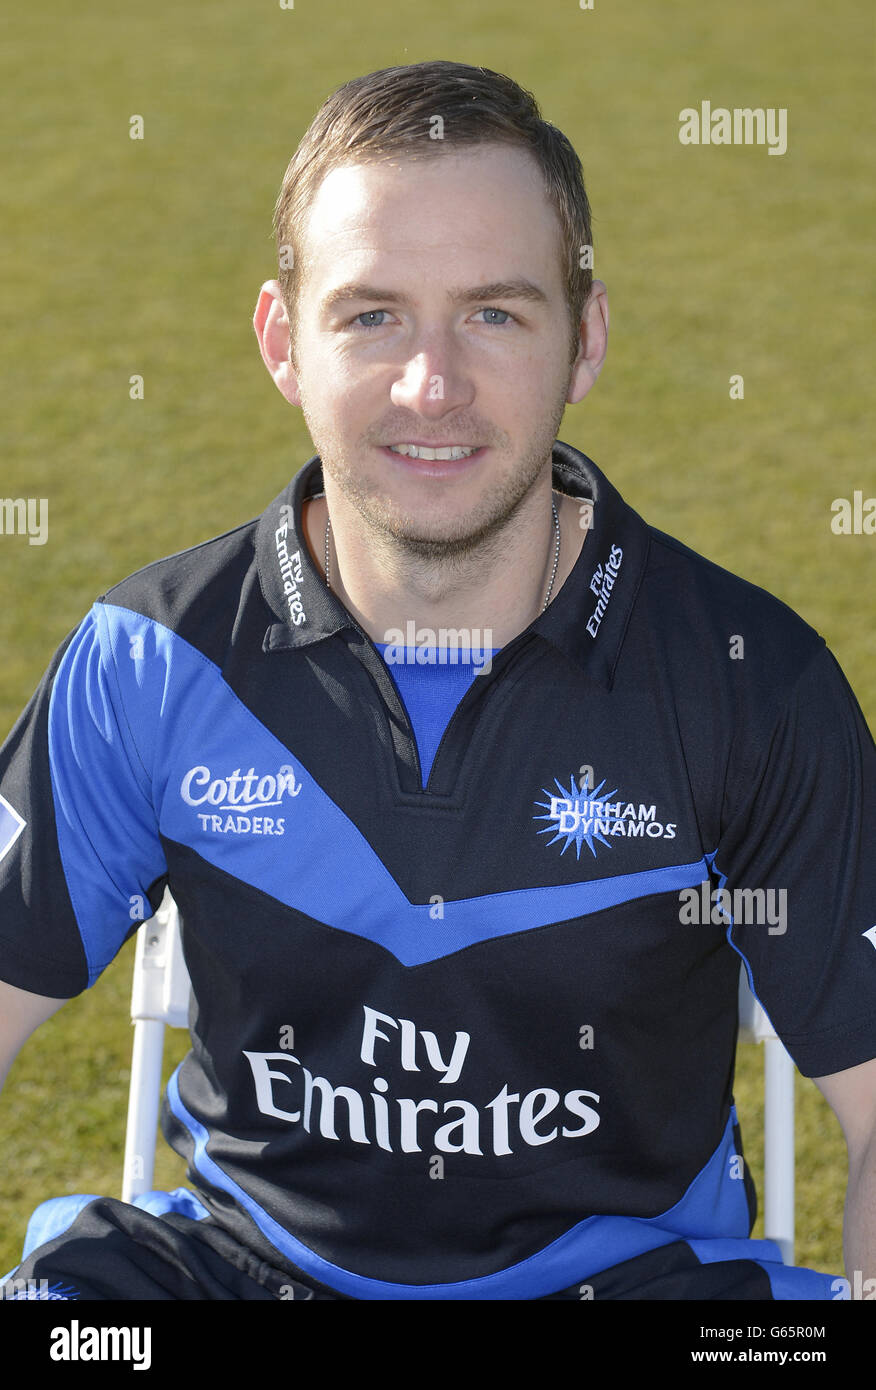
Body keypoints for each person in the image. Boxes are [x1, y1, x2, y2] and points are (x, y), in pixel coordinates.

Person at [1, 59, 874, 1302]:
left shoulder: (750, 681)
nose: (433, 385)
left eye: (496, 313)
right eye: (371, 315)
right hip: (237, 1280)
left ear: (587, 341)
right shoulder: (154, 661)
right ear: (281, 344)